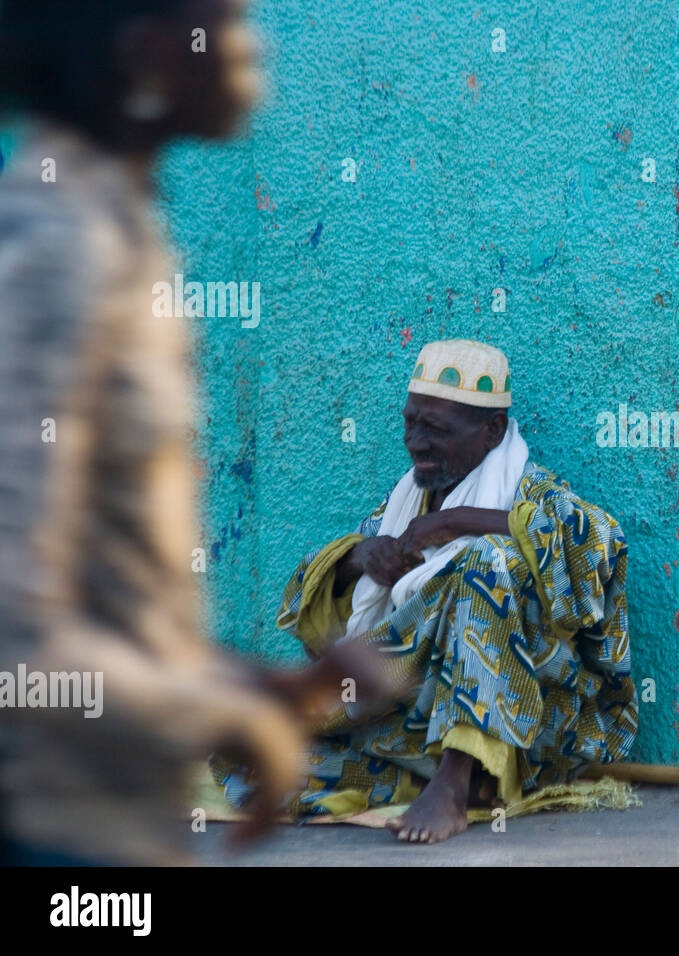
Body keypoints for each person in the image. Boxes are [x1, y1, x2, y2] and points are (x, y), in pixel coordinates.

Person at [0, 0, 391, 865]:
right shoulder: (58, 247)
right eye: (228, 18)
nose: (252, 44)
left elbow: (105, 603)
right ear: (145, 50)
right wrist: (224, 716)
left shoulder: (118, 229)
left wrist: (269, 685)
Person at [213, 339, 639, 844]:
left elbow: (599, 540)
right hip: (410, 721)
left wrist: (458, 523)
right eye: (410, 423)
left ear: (492, 431)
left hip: (536, 726)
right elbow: (316, 609)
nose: (415, 442)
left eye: (435, 429)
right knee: (256, 757)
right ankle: (438, 775)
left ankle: (459, 780)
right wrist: (360, 558)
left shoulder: (530, 491)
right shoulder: (407, 500)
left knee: (485, 560)